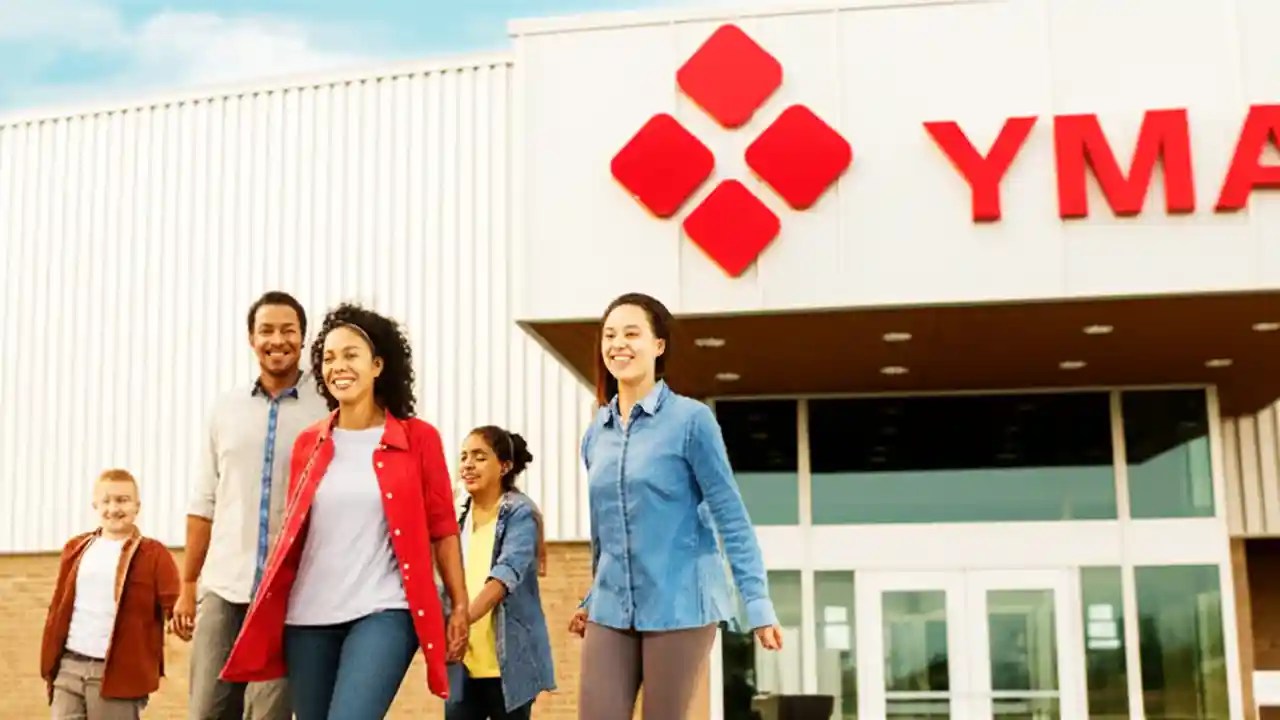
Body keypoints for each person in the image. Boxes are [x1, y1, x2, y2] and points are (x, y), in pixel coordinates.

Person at [221, 302, 471, 720]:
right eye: (329, 358)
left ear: (377, 365)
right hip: (308, 616)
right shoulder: (309, 443)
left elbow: (443, 528)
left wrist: (459, 605)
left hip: (384, 609)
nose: (338, 366)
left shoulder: (418, 439)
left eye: (351, 355)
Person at [570, 292, 784, 720]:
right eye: (610, 335)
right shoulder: (597, 433)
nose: (618, 344)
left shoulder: (691, 421)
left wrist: (757, 604)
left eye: (632, 334)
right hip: (612, 607)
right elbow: (604, 530)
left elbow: (731, 518)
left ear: (658, 345)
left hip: (680, 602)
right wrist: (593, 595)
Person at [173, 290, 328, 720]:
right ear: (251, 338)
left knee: (269, 714)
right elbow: (205, 499)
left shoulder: (327, 407)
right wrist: (188, 585)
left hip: (292, 593)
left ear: (302, 337)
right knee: (207, 710)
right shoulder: (225, 409)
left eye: (288, 330)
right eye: (266, 330)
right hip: (225, 585)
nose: (277, 340)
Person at [40, 469, 182, 720]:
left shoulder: (154, 554)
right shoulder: (75, 549)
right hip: (69, 667)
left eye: (123, 500)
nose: (114, 508)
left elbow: (176, 604)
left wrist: (184, 622)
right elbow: (58, 606)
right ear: (95, 505)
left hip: (117, 674)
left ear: (137, 507)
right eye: (106, 501)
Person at [445, 426, 556, 720]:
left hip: (508, 667)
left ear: (504, 467)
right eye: (464, 457)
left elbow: (506, 575)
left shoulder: (519, 513)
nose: (468, 464)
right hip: (463, 665)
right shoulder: (458, 516)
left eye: (480, 457)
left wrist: (461, 620)